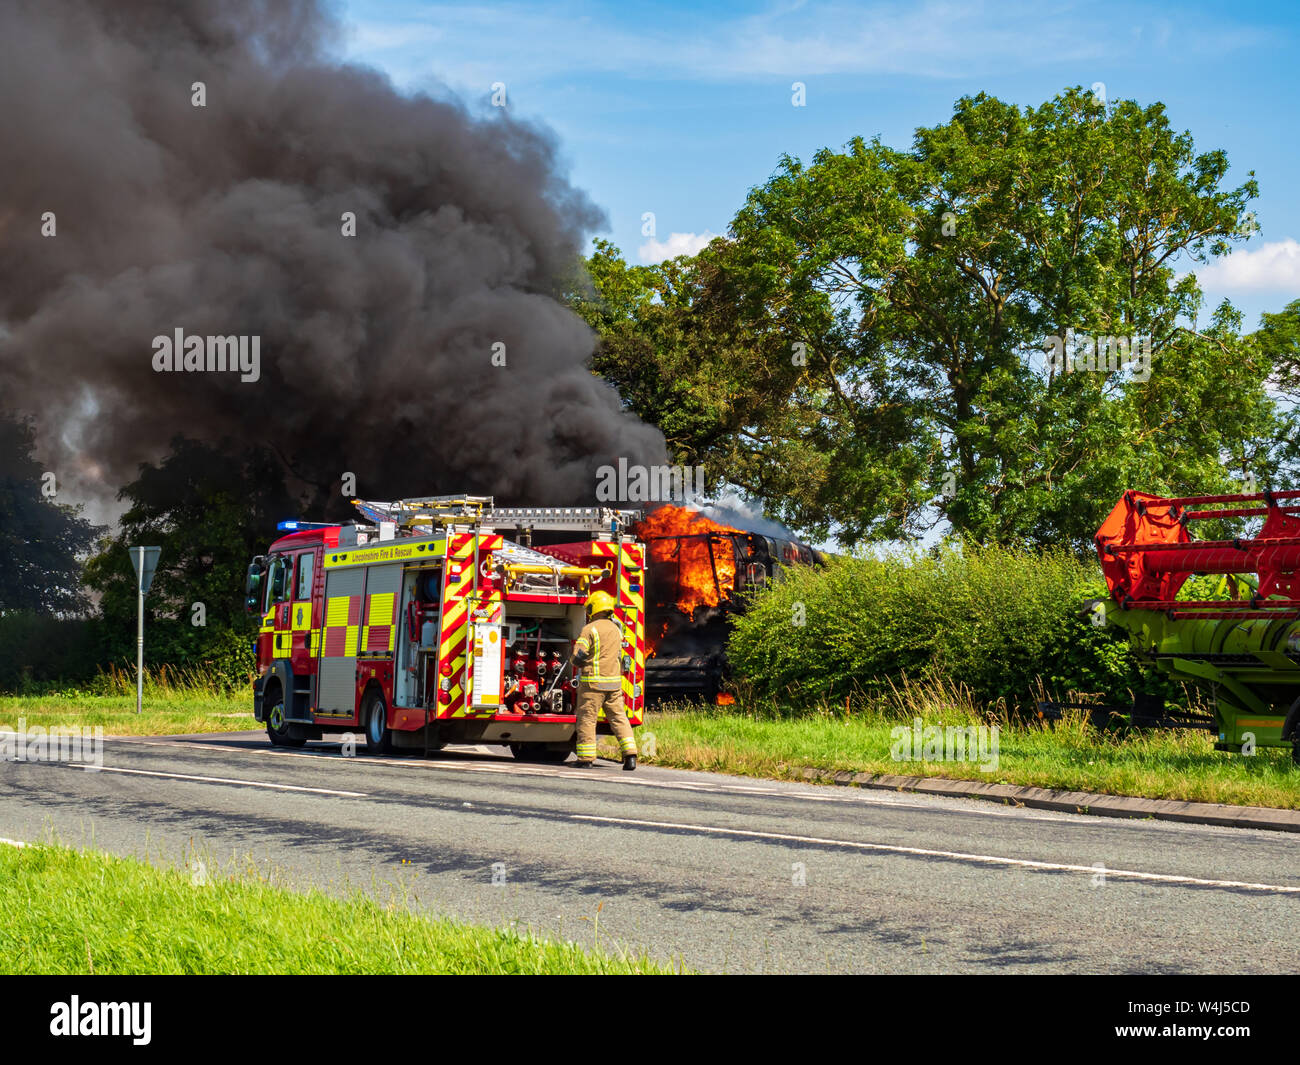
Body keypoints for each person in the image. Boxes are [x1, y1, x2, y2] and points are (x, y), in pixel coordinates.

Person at [571, 589, 637, 770]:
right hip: (614, 684)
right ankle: (630, 755)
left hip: (593, 684)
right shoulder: (617, 629)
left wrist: (575, 661)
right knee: (619, 718)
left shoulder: (589, 629)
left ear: (593, 608)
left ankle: (585, 759)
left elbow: (578, 655)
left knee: (587, 719)